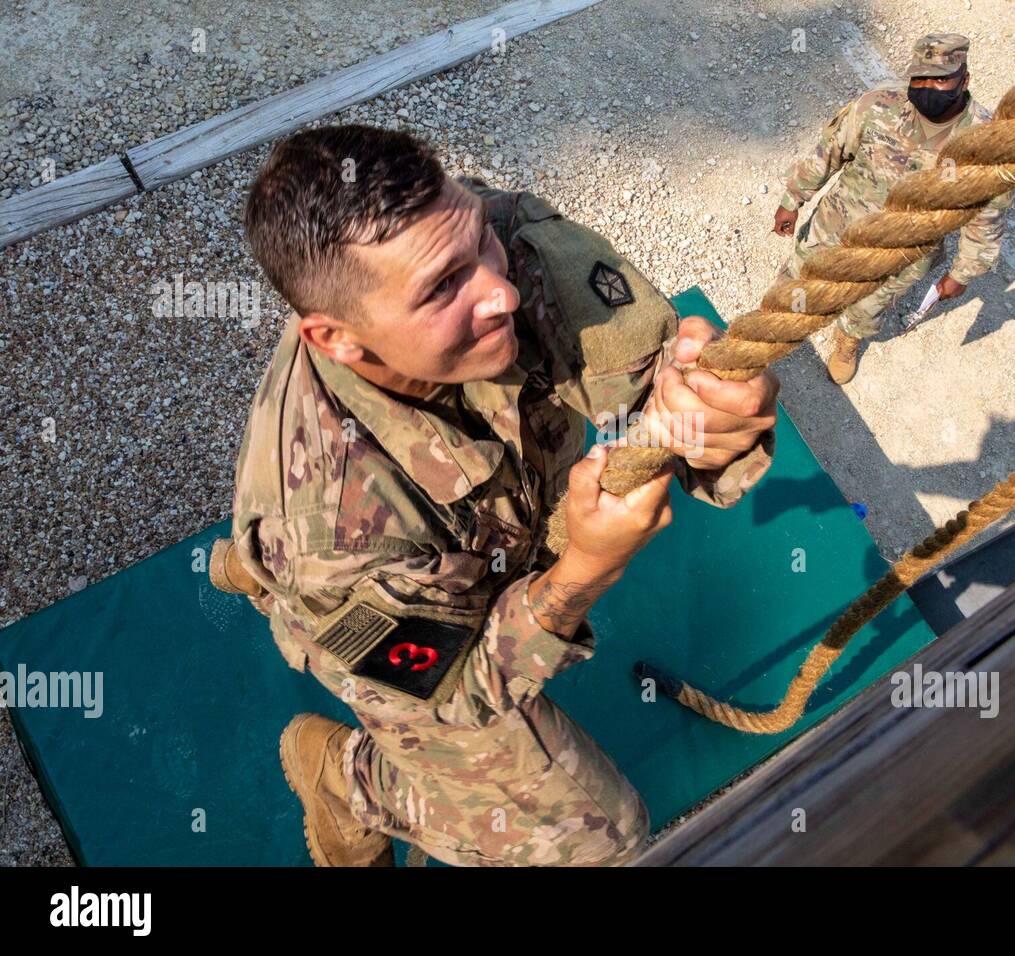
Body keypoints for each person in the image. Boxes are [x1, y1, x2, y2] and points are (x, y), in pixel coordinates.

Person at [219, 124, 778, 866]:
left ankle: (249, 571)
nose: (502, 290)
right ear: (337, 339)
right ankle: (349, 780)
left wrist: (718, 412)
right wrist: (588, 567)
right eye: (444, 287)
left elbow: (655, 385)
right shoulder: (332, 529)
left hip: (474, 545)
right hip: (401, 600)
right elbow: (454, 699)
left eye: (478, 241)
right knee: (598, 843)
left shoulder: (504, 240)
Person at [772, 33, 1011, 384]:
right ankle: (778, 320)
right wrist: (793, 199)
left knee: (869, 304)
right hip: (838, 224)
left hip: (902, 253)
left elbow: (988, 212)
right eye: (920, 78)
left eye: (941, 79)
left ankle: (847, 339)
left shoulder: (984, 143)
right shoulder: (878, 105)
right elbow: (830, 152)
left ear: (965, 80)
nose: (928, 86)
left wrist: (963, 272)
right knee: (801, 275)